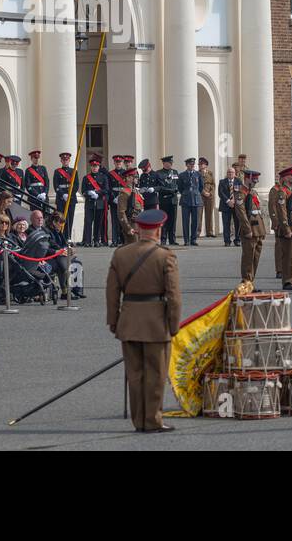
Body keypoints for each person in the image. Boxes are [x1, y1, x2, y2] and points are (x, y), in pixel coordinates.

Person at [106, 208, 181, 433]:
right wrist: (174, 324)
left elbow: (111, 291)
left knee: (135, 374)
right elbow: (174, 295)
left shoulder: (120, 254)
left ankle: (139, 421)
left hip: (129, 320)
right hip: (156, 322)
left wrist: (114, 320)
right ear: (158, 230)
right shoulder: (165, 255)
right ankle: (153, 420)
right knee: (156, 375)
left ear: (138, 229)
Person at [270, 166, 292, 290]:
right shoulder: (282, 192)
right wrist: (286, 229)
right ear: (286, 178)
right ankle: (287, 281)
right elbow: (282, 212)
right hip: (289, 228)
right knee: (287, 256)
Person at [236, 170, 266, 283]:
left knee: (255, 257)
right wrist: (247, 229)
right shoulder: (241, 193)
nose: (255, 183)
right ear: (247, 179)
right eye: (254, 180)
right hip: (249, 230)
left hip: (258, 229)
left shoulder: (253, 193)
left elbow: (258, 211)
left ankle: (251, 281)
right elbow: (241, 213)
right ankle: (246, 282)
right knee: (248, 257)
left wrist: (262, 230)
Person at [81, 154, 109, 247]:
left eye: (96, 166)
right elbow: (83, 191)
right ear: (91, 167)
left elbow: (106, 190)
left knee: (98, 222)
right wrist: (89, 193)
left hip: (99, 203)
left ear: (99, 166)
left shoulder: (103, 177)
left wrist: (98, 193)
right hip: (89, 203)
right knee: (88, 222)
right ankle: (87, 241)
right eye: (93, 166)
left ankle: (96, 240)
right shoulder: (86, 178)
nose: (94, 168)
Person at [154, 156, 180, 246]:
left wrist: (177, 190)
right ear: (164, 163)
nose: (171, 164)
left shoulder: (175, 172)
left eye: (171, 163)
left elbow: (177, 184)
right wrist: (170, 190)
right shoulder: (159, 173)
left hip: (173, 200)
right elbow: (159, 187)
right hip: (164, 199)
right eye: (169, 162)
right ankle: (163, 239)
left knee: (173, 221)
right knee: (164, 221)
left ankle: (172, 239)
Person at [179, 157, 203, 247]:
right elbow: (180, 188)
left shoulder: (198, 174)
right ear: (186, 165)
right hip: (185, 200)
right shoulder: (182, 175)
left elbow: (201, 187)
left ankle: (193, 239)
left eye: (193, 164)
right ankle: (186, 240)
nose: (192, 166)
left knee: (195, 221)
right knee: (185, 221)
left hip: (196, 200)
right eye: (190, 164)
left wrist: (195, 194)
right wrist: (186, 193)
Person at [218, 165, 237, 247]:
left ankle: (237, 240)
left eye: (232, 172)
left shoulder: (238, 181)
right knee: (226, 224)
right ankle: (227, 241)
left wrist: (234, 200)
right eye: (229, 172)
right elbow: (220, 193)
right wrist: (228, 201)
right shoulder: (222, 182)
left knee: (237, 224)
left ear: (235, 174)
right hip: (225, 206)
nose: (230, 174)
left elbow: (240, 193)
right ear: (227, 173)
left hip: (236, 206)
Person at [200, 157, 217, 239]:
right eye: (199, 164)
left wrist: (210, 193)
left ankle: (209, 232)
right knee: (199, 214)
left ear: (206, 165)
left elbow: (213, 184)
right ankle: (197, 232)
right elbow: (197, 185)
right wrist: (203, 192)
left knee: (209, 214)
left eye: (202, 164)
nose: (200, 165)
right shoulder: (197, 173)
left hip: (209, 196)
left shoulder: (210, 173)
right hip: (200, 196)